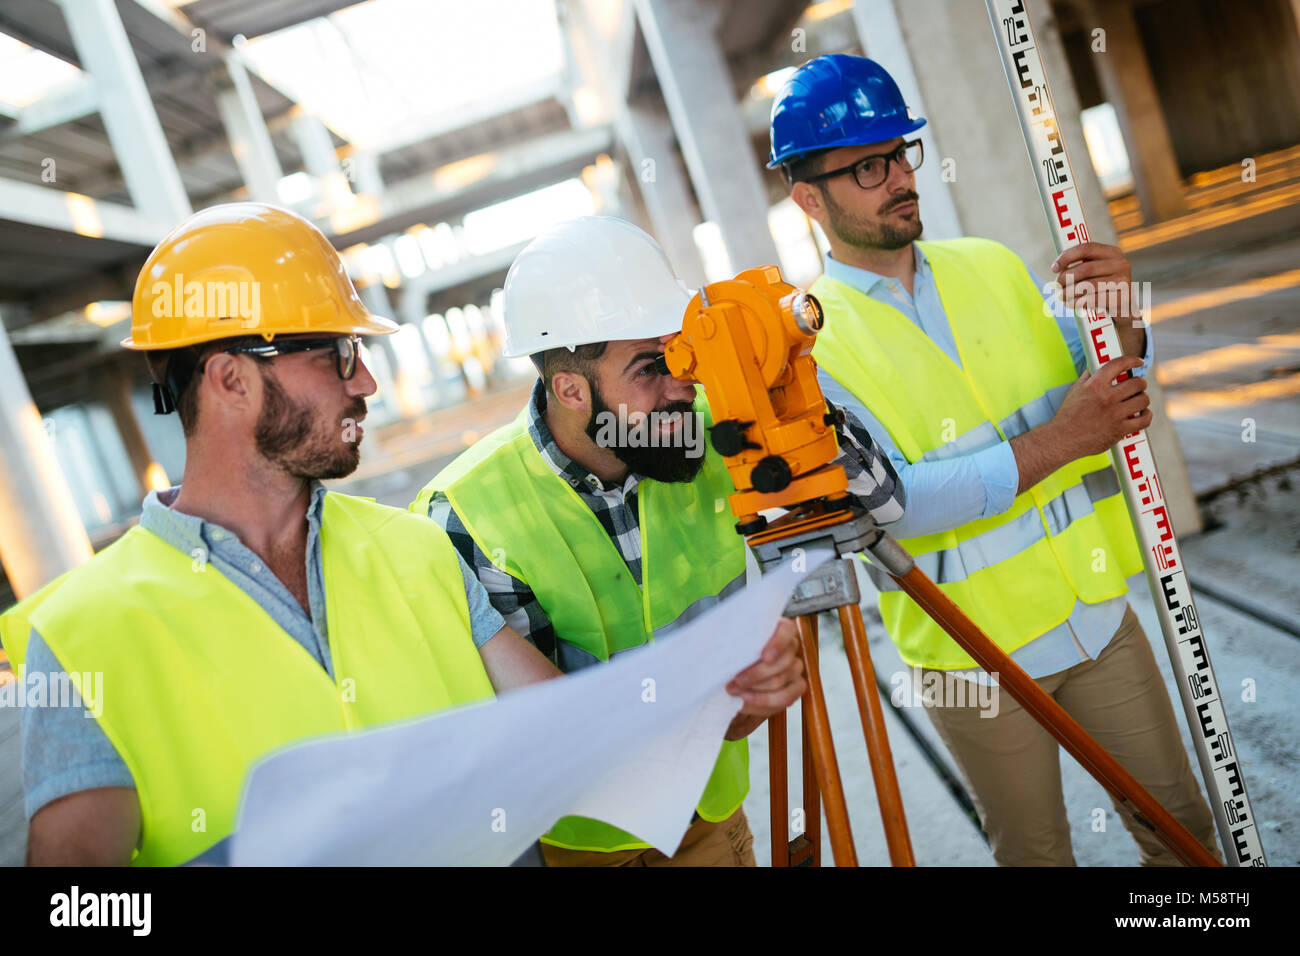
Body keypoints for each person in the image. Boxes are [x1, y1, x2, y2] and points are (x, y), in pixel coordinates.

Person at [0, 203, 560, 866]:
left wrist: (690, 700)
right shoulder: (85, 635)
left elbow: (564, 730)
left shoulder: (413, 547)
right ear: (231, 377)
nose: (368, 382)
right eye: (340, 354)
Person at [769, 54, 1221, 866]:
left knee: (1183, 830)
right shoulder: (809, 345)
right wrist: (1061, 441)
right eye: (867, 167)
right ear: (809, 198)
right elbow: (891, 503)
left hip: (1092, 614)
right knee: (1036, 855)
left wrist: (1123, 322)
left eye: (901, 154)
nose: (899, 178)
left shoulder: (994, 266)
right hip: (963, 656)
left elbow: (1105, 390)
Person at [412, 216, 905, 866]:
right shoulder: (469, 511)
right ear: (570, 388)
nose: (682, 385)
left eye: (680, 355)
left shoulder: (713, 430)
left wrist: (787, 397)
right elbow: (533, 732)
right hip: (583, 838)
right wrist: (708, 721)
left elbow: (883, 506)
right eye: (650, 367)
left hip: (711, 812)